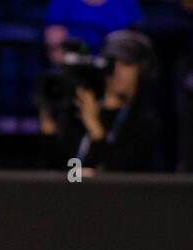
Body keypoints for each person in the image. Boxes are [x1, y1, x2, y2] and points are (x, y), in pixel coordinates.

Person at [39, 30, 162, 172]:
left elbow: (123, 176)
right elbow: (56, 171)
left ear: (141, 69)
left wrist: (95, 129)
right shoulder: (80, 110)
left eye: (126, 63)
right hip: (74, 192)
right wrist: (49, 131)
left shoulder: (144, 121)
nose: (117, 70)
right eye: (112, 63)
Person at [45, 0, 145, 63]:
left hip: (115, 70)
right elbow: (55, 49)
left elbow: (134, 47)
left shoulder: (126, 3)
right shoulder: (62, 2)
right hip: (74, 69)